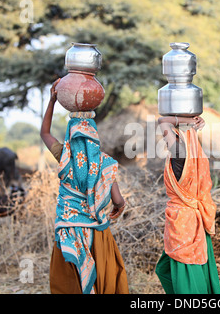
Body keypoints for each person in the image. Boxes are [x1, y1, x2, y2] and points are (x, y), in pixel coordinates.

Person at [40, 78, 129, 294]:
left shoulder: (64, 157)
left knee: (69, 285)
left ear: (71, 134)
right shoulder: (104, 163)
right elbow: (118, 200)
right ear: (94, 135)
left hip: (68, 232)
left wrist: (52, 100)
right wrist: (119, 206)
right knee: (103, 280)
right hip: (97, 232)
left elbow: (44, 133)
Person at [155, 115, 220, 294]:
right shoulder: (195, 156)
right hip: (194, 220)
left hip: (183, 224)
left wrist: (187, 122)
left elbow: (163, 121)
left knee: (186, 272)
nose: (166, 140)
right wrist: (193, 125)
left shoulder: (180, 153)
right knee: (193, 266)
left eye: (171, 137)